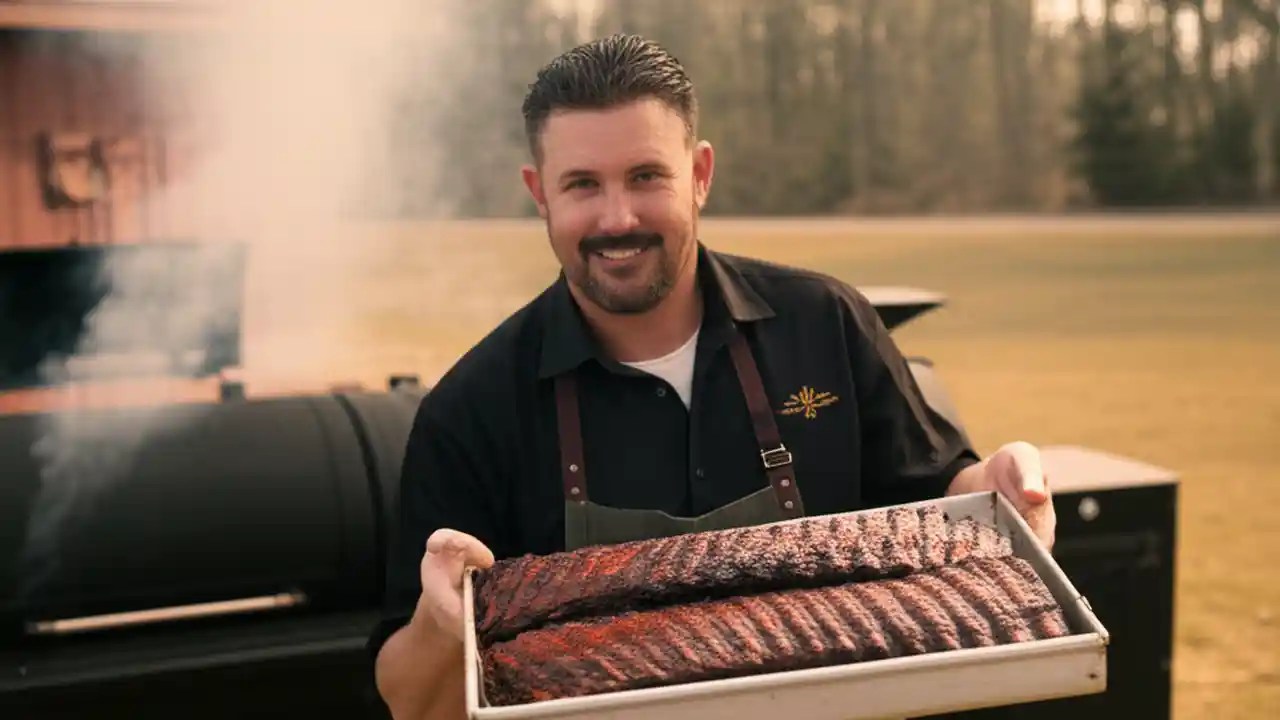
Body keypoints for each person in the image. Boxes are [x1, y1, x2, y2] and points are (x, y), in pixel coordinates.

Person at [369, 33, 1055, 720]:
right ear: (538, 193)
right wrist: (441, 623)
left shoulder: (824, 326)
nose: (618, 218)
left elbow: (940, 503)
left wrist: (998, 496)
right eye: (583, 184)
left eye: (646, 176)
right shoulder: (474, 409)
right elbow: (411, 702)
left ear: (699, 174)